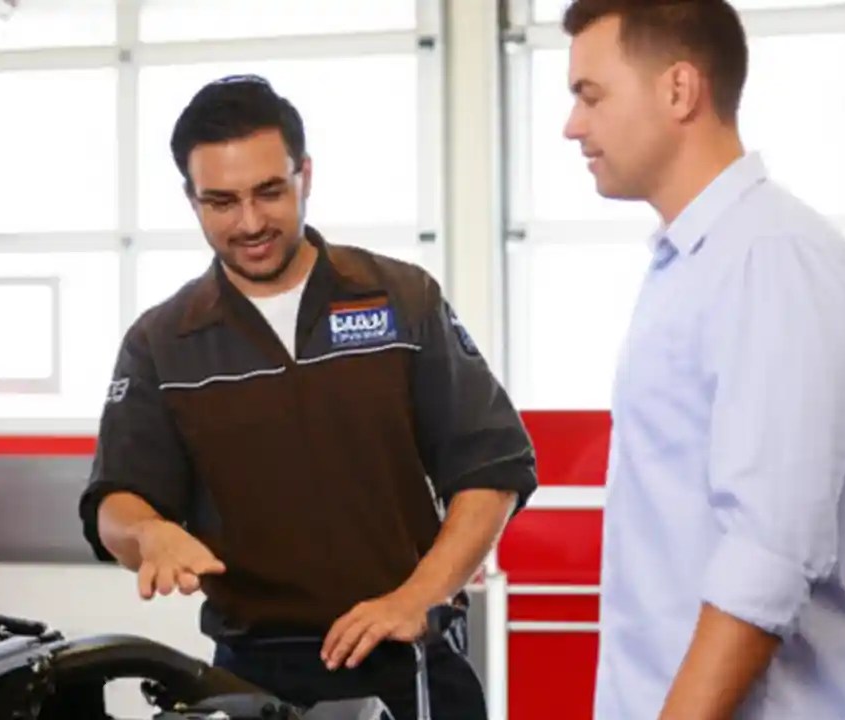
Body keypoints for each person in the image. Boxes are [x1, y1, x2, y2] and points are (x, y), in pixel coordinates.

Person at [77, 74, 537, 719]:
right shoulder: (163, 340)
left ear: (306, 176)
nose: (251, 222)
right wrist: (147, 533)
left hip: (411, 655)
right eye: (221, 202)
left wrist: (419, 596)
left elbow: (492, 469)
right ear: (191, 200)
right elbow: (116, 500)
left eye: (270, 191)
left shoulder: (400, 300)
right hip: (254, 673)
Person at [561, 0, 845, 718]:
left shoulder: (773, 261)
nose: (572, 126)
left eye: (591, 95)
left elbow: (769, 553)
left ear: (679, 90)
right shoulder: (693, 265)